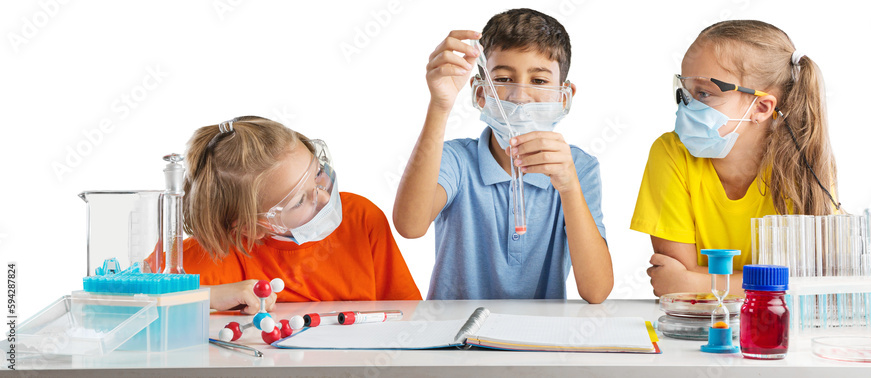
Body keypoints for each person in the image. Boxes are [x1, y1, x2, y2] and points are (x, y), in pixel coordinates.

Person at [393, 8, 612, 303]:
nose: (519, 96)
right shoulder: (455, 160)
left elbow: (596, 291)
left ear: (563, 96)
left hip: (535, 341)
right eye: (504, 79)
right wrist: (440, 105)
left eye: (539, 81)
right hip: (454, 339)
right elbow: (410, 226)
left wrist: (569, 186)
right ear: (480, 93)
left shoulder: (579, 168)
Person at [633, 20, 840, 296]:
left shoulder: (803, 167)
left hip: (784, 330)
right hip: (698, 328)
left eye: (705, 93)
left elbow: (813, 285)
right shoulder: (671, 153)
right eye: (685, 90)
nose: (688, 104)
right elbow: (675, 284)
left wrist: (701, 281)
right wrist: (769, 283)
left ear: (762, 107)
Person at [156, 116, 422, 314]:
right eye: (298, 201)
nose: (326, 197)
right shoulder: (211, 253)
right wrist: (207, 295)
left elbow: (412, 318)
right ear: (251, 228)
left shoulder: (362, 219)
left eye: (319, 175)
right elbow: (124, 302)